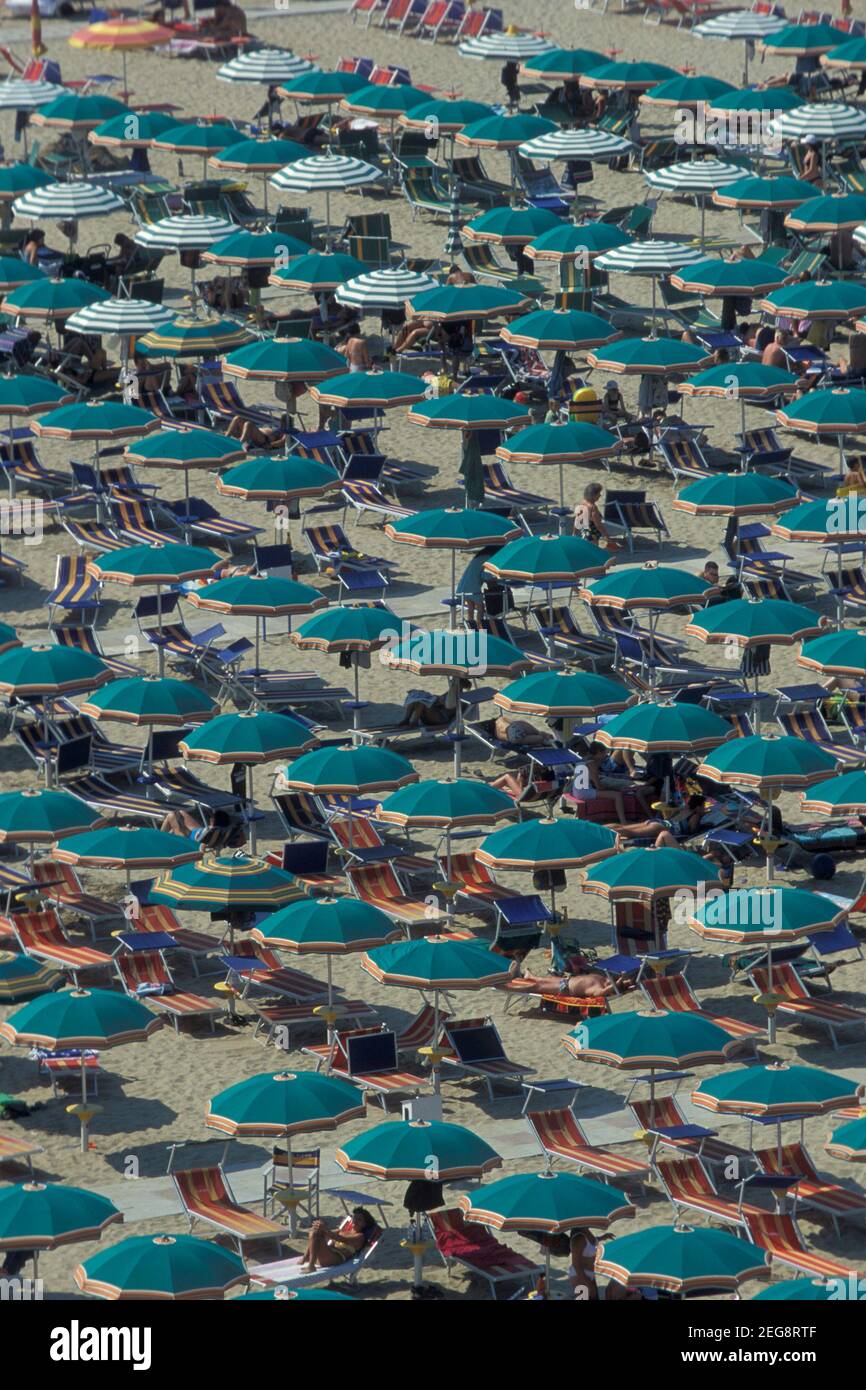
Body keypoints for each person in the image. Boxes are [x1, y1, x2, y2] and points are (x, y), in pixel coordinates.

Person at [300, 1207, 376, 1271]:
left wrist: (324, 1228)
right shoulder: (343, 1230)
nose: (355, 1221)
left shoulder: (360, 1236)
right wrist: (320, 1227)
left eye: (359, 1220)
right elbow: (326, 1233)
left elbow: (342, 1239)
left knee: (315, 1233)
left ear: (365, 1224)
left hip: (335, 1258)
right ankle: (306, 1257)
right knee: (315, 1231)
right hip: (327, 1254)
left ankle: (311, 1266)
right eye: (354, 1218)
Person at [574, 481, 616, 548]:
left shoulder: (582, 503)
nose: (600, 495)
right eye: (599, 493)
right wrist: (608, 539)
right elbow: (598, 525)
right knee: (592, 555)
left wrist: (574, 533)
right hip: (593, 537)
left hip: (584, 534)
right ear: (593, 495)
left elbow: (577, 520)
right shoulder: (593, 507)